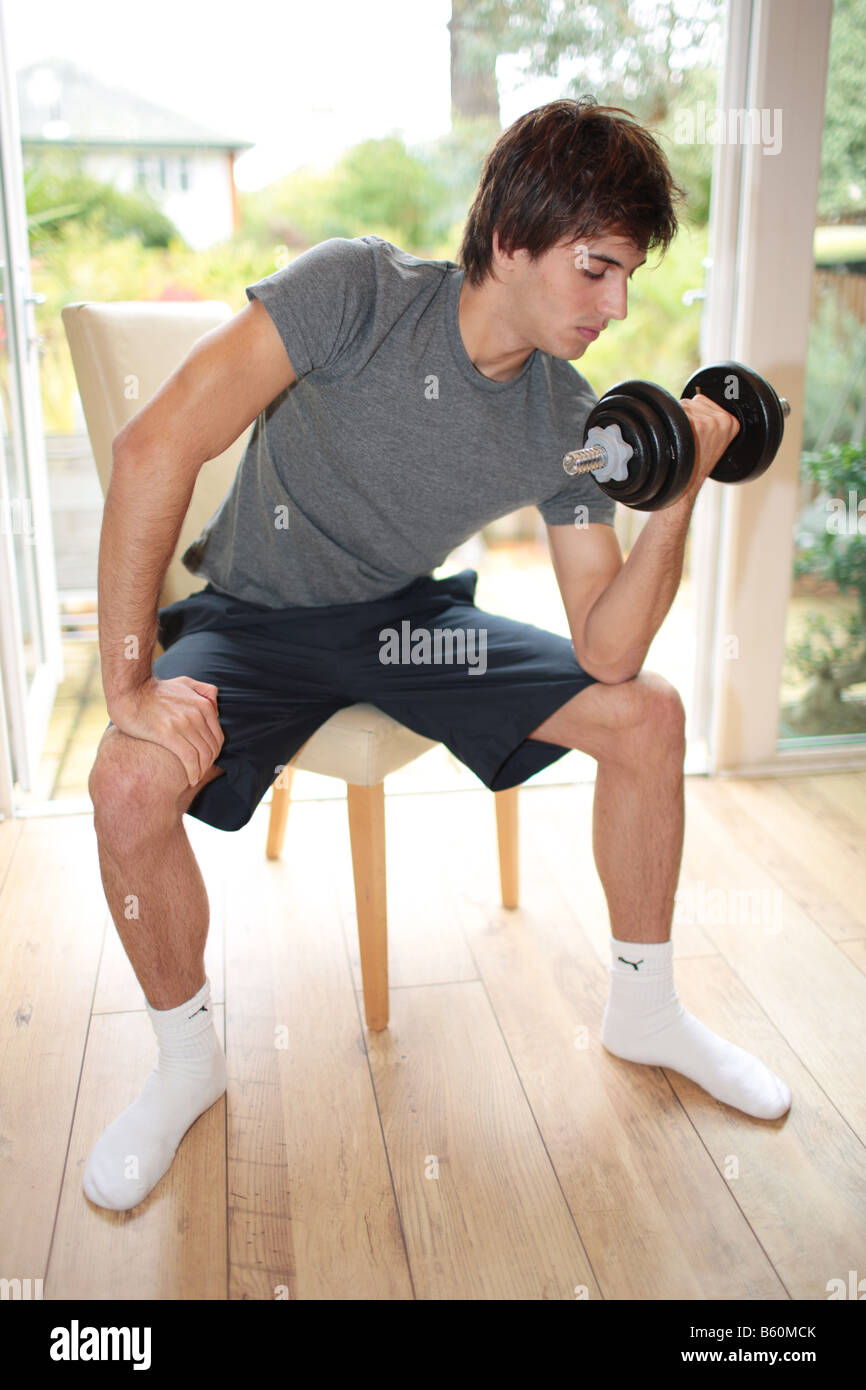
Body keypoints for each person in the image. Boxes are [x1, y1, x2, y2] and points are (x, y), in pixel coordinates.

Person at [83, 96, 791, 1213]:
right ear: (510, 240)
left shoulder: (565, 414)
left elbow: (606, 651)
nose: (615, 306)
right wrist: (126, 681)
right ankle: (184, 1059)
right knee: (124, 779)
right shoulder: (352, 291)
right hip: (255, 615)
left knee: (645, 712)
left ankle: (643, 1006)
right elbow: (154, 439)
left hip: (401, 623)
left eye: (627, 278)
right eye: (595, 269)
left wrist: (679, 492)